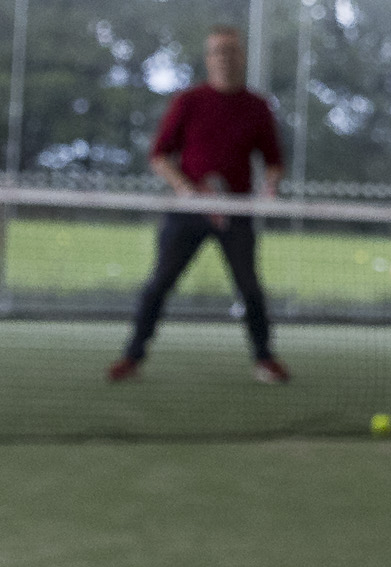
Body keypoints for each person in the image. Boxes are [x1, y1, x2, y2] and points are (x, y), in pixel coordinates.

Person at [108, 25, 290, 383]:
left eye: (231, 51)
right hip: (186, 214)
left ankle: (264, 359)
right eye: (218, 51)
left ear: (242, 57)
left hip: (236, 215)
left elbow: (273, 162)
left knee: (250, 288)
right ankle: (132, 357)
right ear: (208, 58)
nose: (225, 58)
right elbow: (159, 156)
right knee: (159, 284)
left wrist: (269, 188)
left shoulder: (257, 107)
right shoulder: (188, 102)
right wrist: (187, 191)